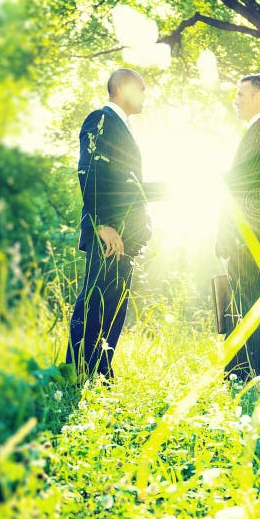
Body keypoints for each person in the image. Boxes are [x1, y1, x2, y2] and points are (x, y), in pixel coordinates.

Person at [66, 68, 165, 383]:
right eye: (142, 89)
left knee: (115, 306)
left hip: (128, 236)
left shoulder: (125, 128)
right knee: (95, 302)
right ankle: (79, 372)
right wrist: (102, 223)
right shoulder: (101, 120)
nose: (145, 96)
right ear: (123, 88)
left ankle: (101, 372)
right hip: (109, 234)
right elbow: (88, 170)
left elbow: (132, 187)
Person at [215, 73, 260, 384]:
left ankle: (250, 374)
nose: (236, 100)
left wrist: (224, 235)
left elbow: (237, 183)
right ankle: (246, 372)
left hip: (251, 236)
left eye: (241, 94)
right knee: (246, 305)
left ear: (258, 97)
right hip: (253, 236)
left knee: (250, 307)